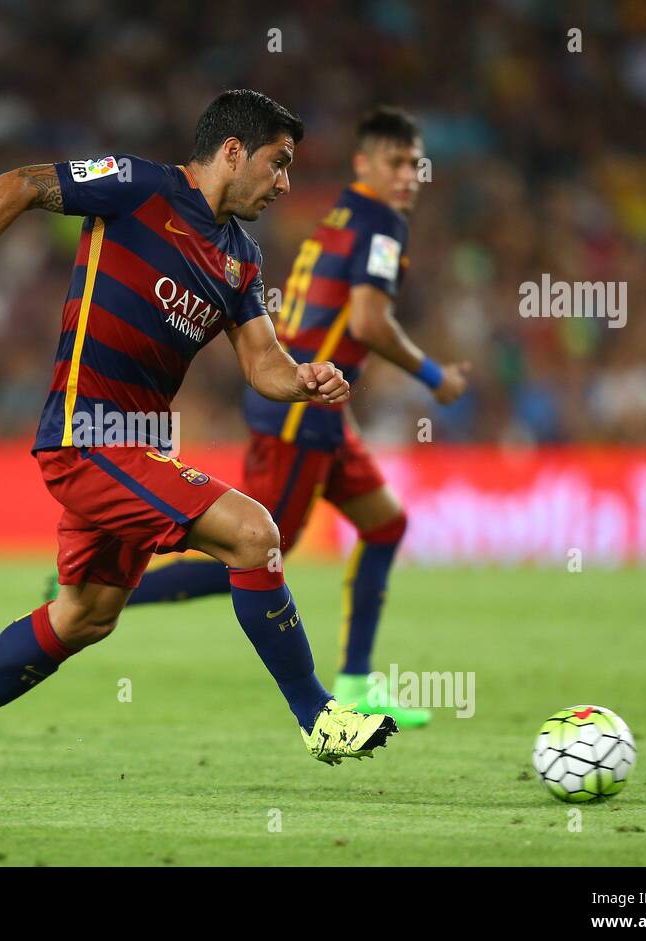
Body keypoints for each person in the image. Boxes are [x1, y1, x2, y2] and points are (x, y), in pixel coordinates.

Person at [0, 90, 398, 799]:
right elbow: (22, 183)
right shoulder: (139, 187)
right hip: (87, 436)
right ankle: (319, 716)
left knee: (86, 615)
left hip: (138, 447)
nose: (286, 182)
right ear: (233, 151)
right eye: (278, 163)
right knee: (256, 534)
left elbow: (263, 368)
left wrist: (306, 380)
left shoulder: (240, 259)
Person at [126, 107, 470, 727]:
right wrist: (433, 376)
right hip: (297, 409)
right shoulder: (383, 224)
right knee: (257, 552)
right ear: (363, 163)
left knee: (385, 526)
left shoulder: (342, 217)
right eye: (395, 161)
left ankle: (358, 683)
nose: (408, 175)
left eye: (415, 164)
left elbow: (342, 322)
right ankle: (108, 590)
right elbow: (366, 322)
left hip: (321, 409)